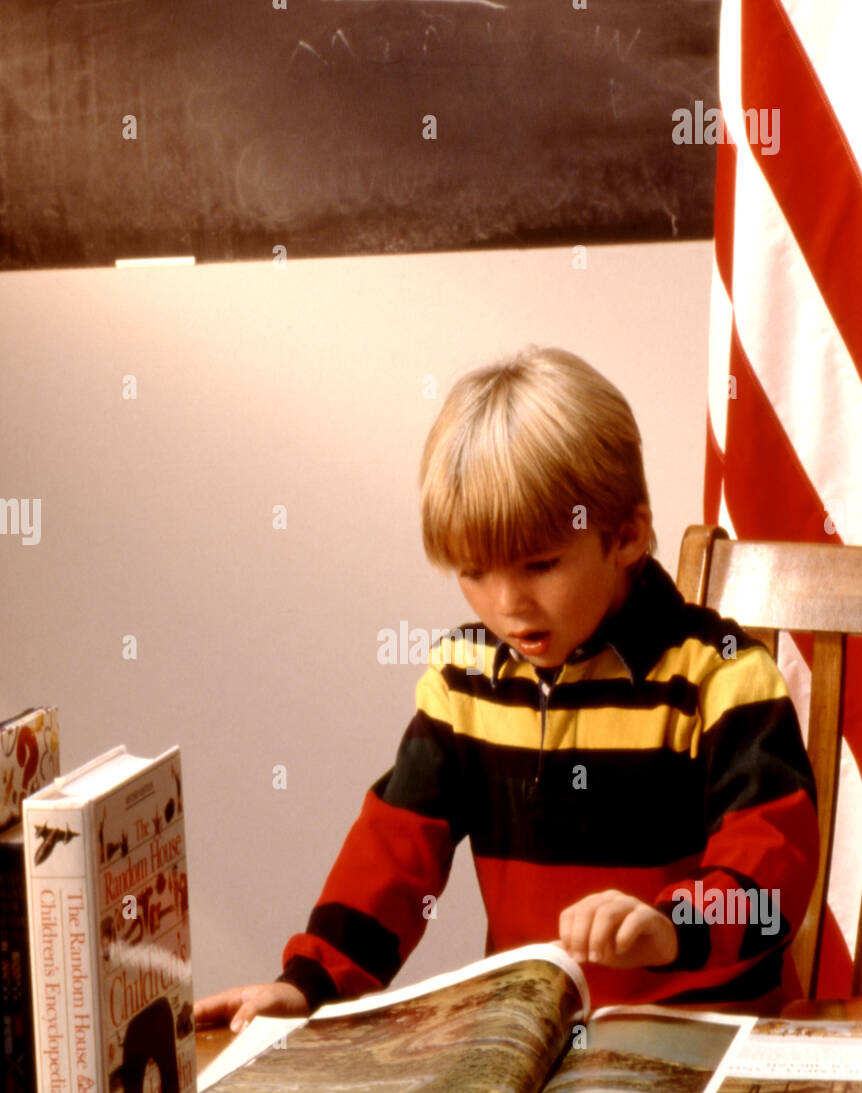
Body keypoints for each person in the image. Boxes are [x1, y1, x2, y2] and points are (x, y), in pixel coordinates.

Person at [194, 346, 819, 1034]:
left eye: (541, 564)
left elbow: (777, 878)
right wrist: (310, 983)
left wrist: (673, 927)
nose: (508, 603)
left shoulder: (723, 676)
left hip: (704, 1040)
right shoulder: (467, 681)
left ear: (628, 536)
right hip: (536, 1045)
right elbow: (394, 853)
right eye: (474, 573)